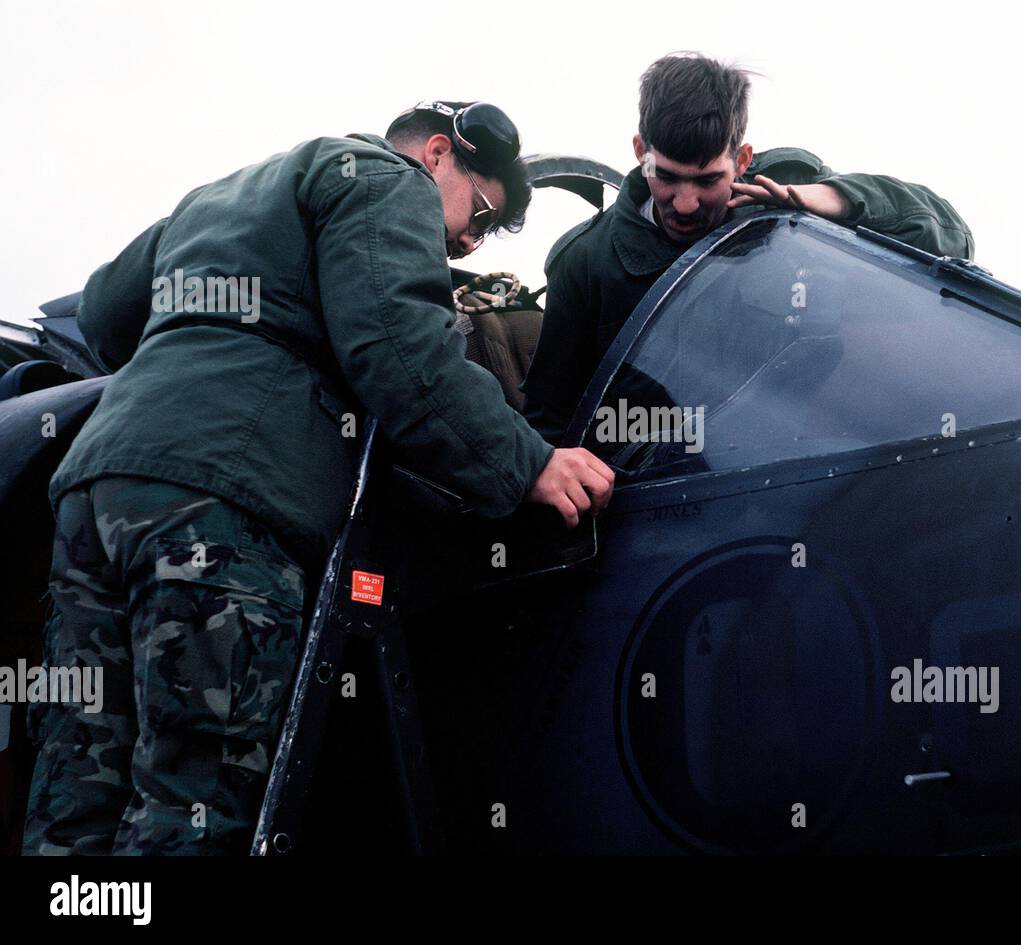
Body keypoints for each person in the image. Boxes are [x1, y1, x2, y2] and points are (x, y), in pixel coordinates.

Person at [22, 101, 614, 855]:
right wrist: (529, 460)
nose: (471, 240)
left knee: (77, 791)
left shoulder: (220, 198)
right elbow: (401, 355)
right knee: (193, 798)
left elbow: (105, 317)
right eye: (484, 211)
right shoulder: (386, 180)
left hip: (97, 494)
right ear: (436, 155)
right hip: (224, 505)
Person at [522, 54, 976, 443]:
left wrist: (835, 200)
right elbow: (553, 426)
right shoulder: (585, 262)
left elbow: (954, 240)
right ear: (641, 151)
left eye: (707, 180)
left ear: (741, 161)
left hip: (798, 462)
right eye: (667, 176)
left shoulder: (791, 191)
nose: (684, 203)